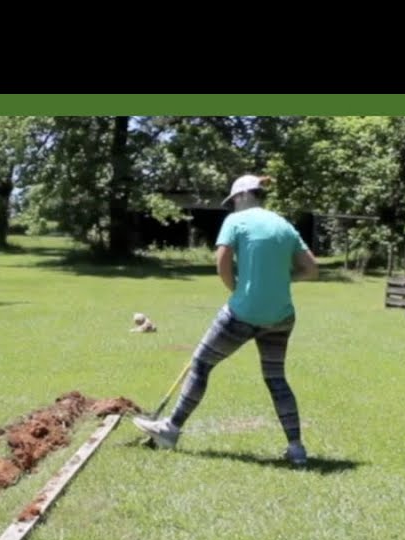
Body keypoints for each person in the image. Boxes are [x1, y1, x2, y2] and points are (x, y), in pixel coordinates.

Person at [134, 174, 319, 465]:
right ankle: (296, 448)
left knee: (201, 364)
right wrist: (282, 279)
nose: (232, 205)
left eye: (233, 200)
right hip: (282, 316)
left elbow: (221, 264)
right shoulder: (283, 225)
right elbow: (311, 269)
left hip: (242, 313)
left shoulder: (235, 221)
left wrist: (239, 290)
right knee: (276, 379)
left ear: (244, 196)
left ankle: (170, 429)